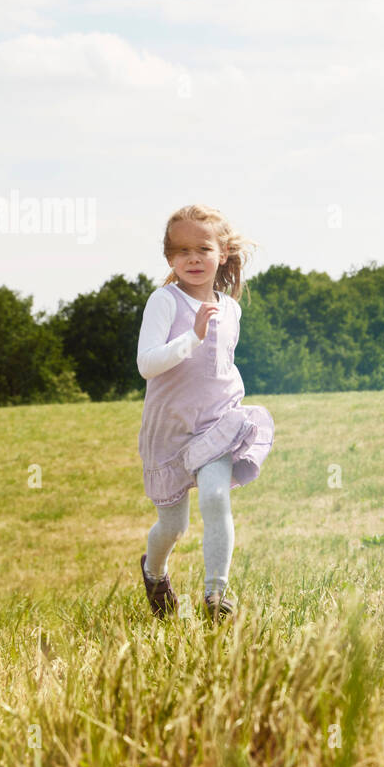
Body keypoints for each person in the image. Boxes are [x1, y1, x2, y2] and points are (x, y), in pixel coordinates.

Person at [136, 204, 273, 620]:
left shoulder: (231, 308)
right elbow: (146, 364)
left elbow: (220, 365)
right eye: (181, 252)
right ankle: (153, 571)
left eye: (203, 249)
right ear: (169, 259)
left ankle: (217, 597)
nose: (192, 259)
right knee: (173, 527)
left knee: (216, 498)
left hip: (217, 420)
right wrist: (192, 336)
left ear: (223, 253)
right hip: (170, 428)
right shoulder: (165, 302)